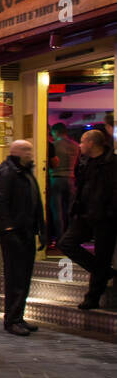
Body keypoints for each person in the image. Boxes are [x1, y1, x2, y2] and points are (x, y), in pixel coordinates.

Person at [59, 127, 117, 311]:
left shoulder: (112, 164)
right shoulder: (86, 162)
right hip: (85, 214)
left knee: (102, 256)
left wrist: (109, 212)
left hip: (105, 218)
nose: (80, 145)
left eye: (83, 141)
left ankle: (92, 297)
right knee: (66, 243)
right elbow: (81, 187)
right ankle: (105, 273)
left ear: (91, 143)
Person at [0, 139, 44, 335]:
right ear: (16, 152)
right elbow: (0, 204)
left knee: (23, 276)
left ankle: (18, 316)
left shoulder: (26, 173)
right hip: (14, 233)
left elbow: (36, 203)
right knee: (15, 276)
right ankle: (12, 319)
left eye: (30, 149)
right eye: (26, 149)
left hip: (27, 232)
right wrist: (7, 230)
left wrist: (41, 229)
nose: (30, 153)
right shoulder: (7, 173)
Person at [48, 123, 80, 246]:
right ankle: (72, 238)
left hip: (56, 178)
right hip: (71, 178)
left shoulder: (54, 145)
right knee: (70, 210)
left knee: (57, 211)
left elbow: (51, 162)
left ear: (56, 132)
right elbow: (77, 164)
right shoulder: (76, 146)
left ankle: (61, 239)